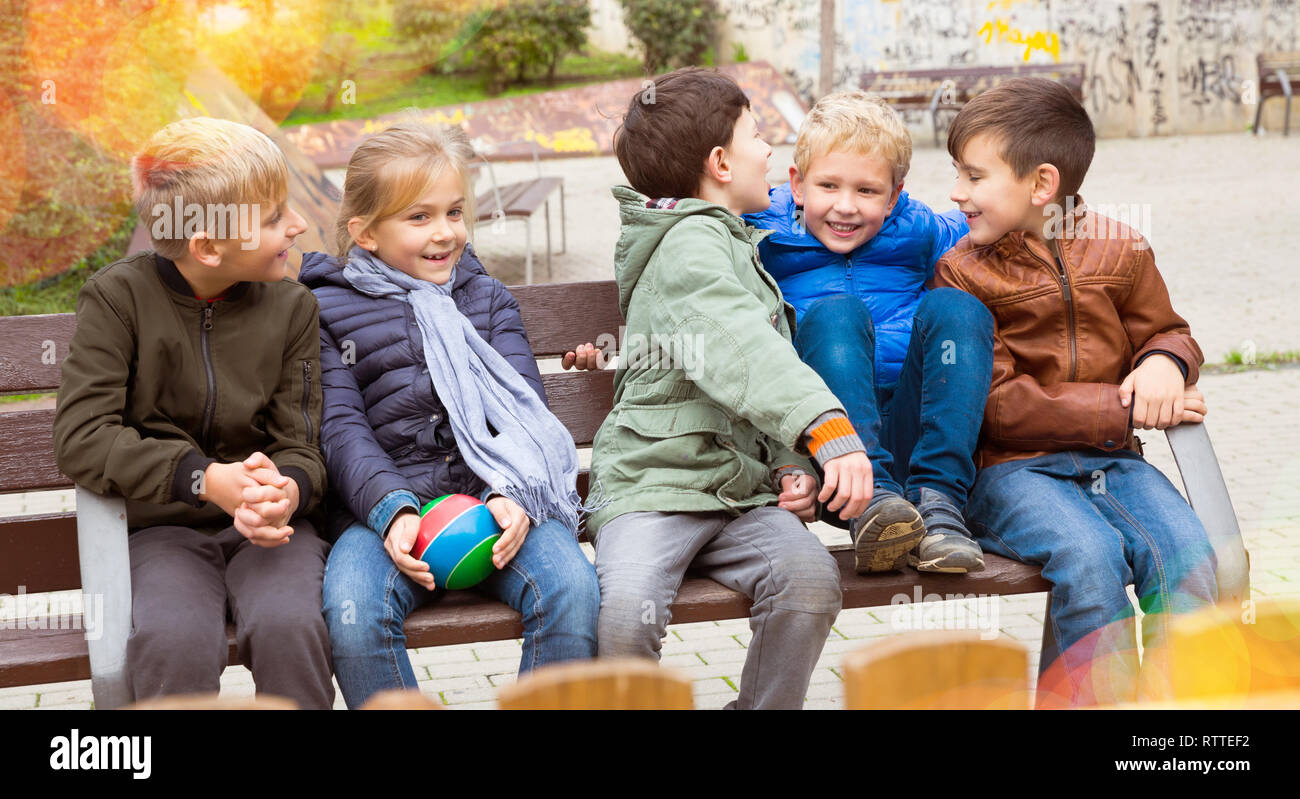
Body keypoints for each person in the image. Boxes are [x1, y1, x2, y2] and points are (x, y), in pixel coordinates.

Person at [588, 68, 878, 710]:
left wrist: (788, 463)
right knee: (626, 612)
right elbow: (737, 345)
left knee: (807, 579)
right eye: (758, 134)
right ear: (720, 162)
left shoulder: (728, 242)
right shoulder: (687, 247)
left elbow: (745, 382)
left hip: (736, 496)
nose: (771, 150)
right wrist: (827, 432)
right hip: (652, 487)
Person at [935, 77, 1217, 706]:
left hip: (1114, 464)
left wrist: (1167, 364)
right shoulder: (962, 272)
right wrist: (1118, 406)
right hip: (1011, 472)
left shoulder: (1121, 249)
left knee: (1194, 562)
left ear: (1041, 185)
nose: (957, 194)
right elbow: (994, 404)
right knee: (1090, 563)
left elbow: (1169, 331)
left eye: (974, 177)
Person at [301, 121, 600, 709]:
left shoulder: (486, 300)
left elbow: (523, 409)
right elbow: (340, 430)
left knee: (572, 589)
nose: (445, 233)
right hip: (382, 513)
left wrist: (512, 492)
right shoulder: (323, 312)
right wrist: (392, 511)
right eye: (419, 218)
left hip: (493, 501)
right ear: (364, 232)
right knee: (354, 612)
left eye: (455, 212)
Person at [53, 117, 333, 708]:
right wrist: (204, 479)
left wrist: (285, 491)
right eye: (274, 217)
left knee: (294, 627)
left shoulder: (292, 307)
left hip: (271, 534)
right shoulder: (116, 300)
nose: (299, 225)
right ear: (207, 246)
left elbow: (303, 443)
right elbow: (82, 437)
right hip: (163, 534)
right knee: (170, 639)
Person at [746, 90, 993, 573]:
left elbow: (995, 223)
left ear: (894, 194)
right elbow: (688, 272)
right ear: (797, 185)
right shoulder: (762, 232)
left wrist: (1055, 211)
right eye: (828, 186)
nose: (845, 207)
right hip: (827, 451)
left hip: (912, 429)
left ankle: (939, 505)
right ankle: (875, 503)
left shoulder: (918, 228)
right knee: (836, 314)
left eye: (866, 191)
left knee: (958, 309)